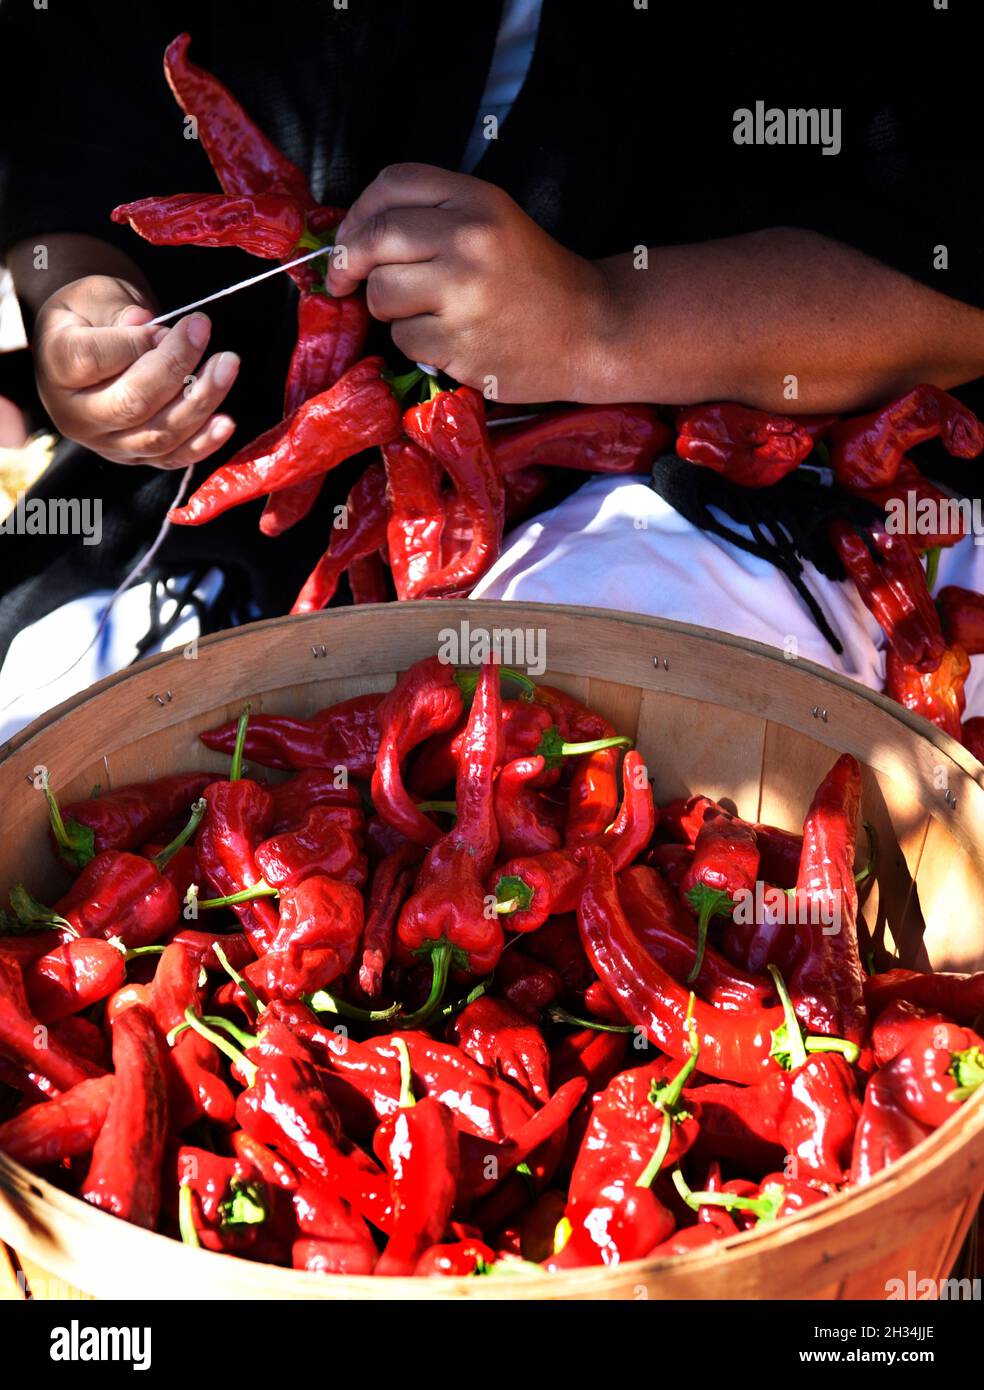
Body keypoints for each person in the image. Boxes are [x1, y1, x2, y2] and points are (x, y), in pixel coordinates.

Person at [2, 0, 983, 734]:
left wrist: (603, 317)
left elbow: (954, 276)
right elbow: (72, 166)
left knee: (584, 733)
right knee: (54, 731)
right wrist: (77, 310)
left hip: (738, 485)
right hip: (233, 525)